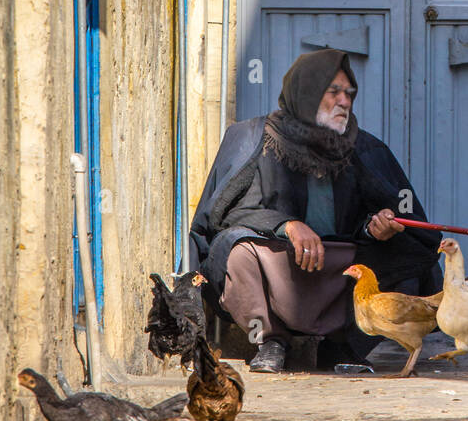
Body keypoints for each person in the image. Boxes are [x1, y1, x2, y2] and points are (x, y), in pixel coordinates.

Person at [189, 48, 442, 372]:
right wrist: (288, 226)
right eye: (333, 91)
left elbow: (409, 216)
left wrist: (377, 226)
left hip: (340, 267)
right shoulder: (253, 138)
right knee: (235, 249)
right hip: (278, 263)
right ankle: (270, 340)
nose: (345, 101)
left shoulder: (366, 147)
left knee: (409, 253)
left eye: (348, 93)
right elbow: (225, 213)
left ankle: (344, 345)